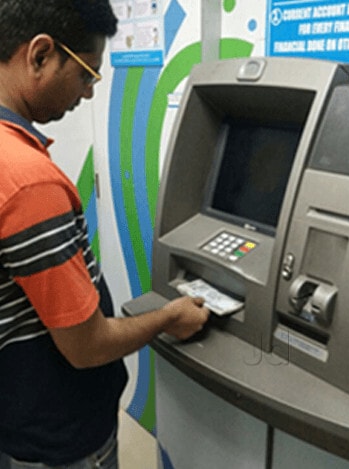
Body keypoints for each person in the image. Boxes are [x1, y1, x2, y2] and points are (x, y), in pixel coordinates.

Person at [0, 1, 209, 467]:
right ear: (39, 55)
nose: (90, 92)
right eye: (86, 74)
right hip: (60, 435)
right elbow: (86, 346)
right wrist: (168, 317)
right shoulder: (28, 183)